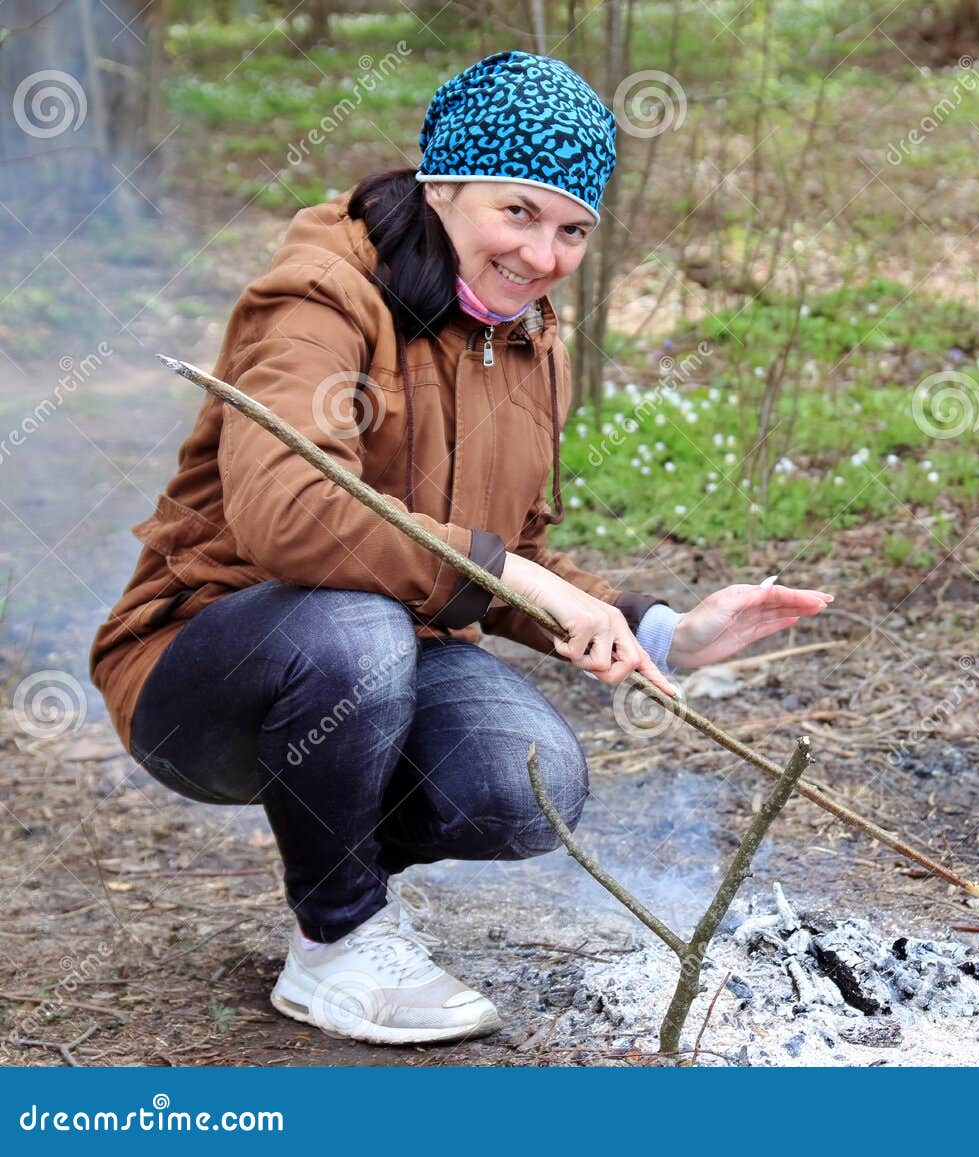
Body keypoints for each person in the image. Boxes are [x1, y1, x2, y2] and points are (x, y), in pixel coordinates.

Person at [87, 51, 832, 1046]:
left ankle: (334, 876)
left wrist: (665, 631)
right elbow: (286, 513)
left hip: (389, 663)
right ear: (443, 184)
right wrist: (511, 573)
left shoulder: (526, 342)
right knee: (354, 631)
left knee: (528, 781)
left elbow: (510, 550)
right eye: (517, 212)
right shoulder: (319, 297)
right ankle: (340, 936)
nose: (543, 255)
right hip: (203, 668)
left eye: (573, 229)